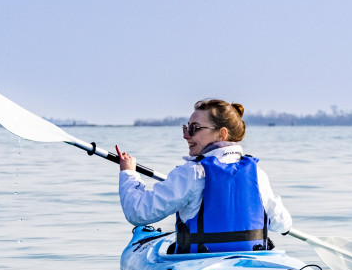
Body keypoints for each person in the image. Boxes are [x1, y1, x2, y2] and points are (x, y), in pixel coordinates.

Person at [116, 98, 292, 254]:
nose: (186, 135)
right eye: (186, 128)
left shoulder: (191, 173)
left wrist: (129, 173)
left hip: (200, 267)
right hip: (250, 267)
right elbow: (283, 224)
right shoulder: (258, 174)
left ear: (222, 133)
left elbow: (138, 212)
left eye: (194, 128)